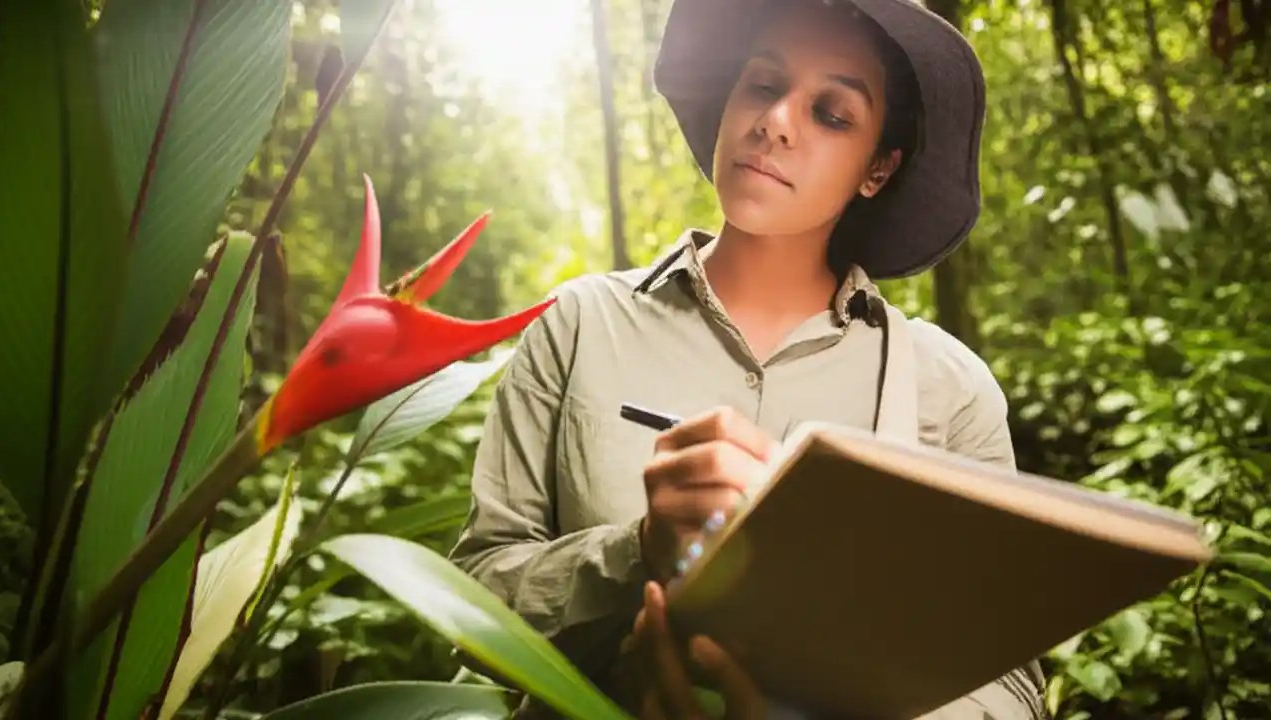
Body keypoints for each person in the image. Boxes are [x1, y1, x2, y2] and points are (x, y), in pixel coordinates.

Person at [449, 0, 1048, 717]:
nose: (776, 120)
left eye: (831, 113)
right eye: (763, 84)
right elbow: (471, 602)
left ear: (878, 169)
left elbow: (1012, 683)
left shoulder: (948, 390)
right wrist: (639, 552)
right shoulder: (577, 325)